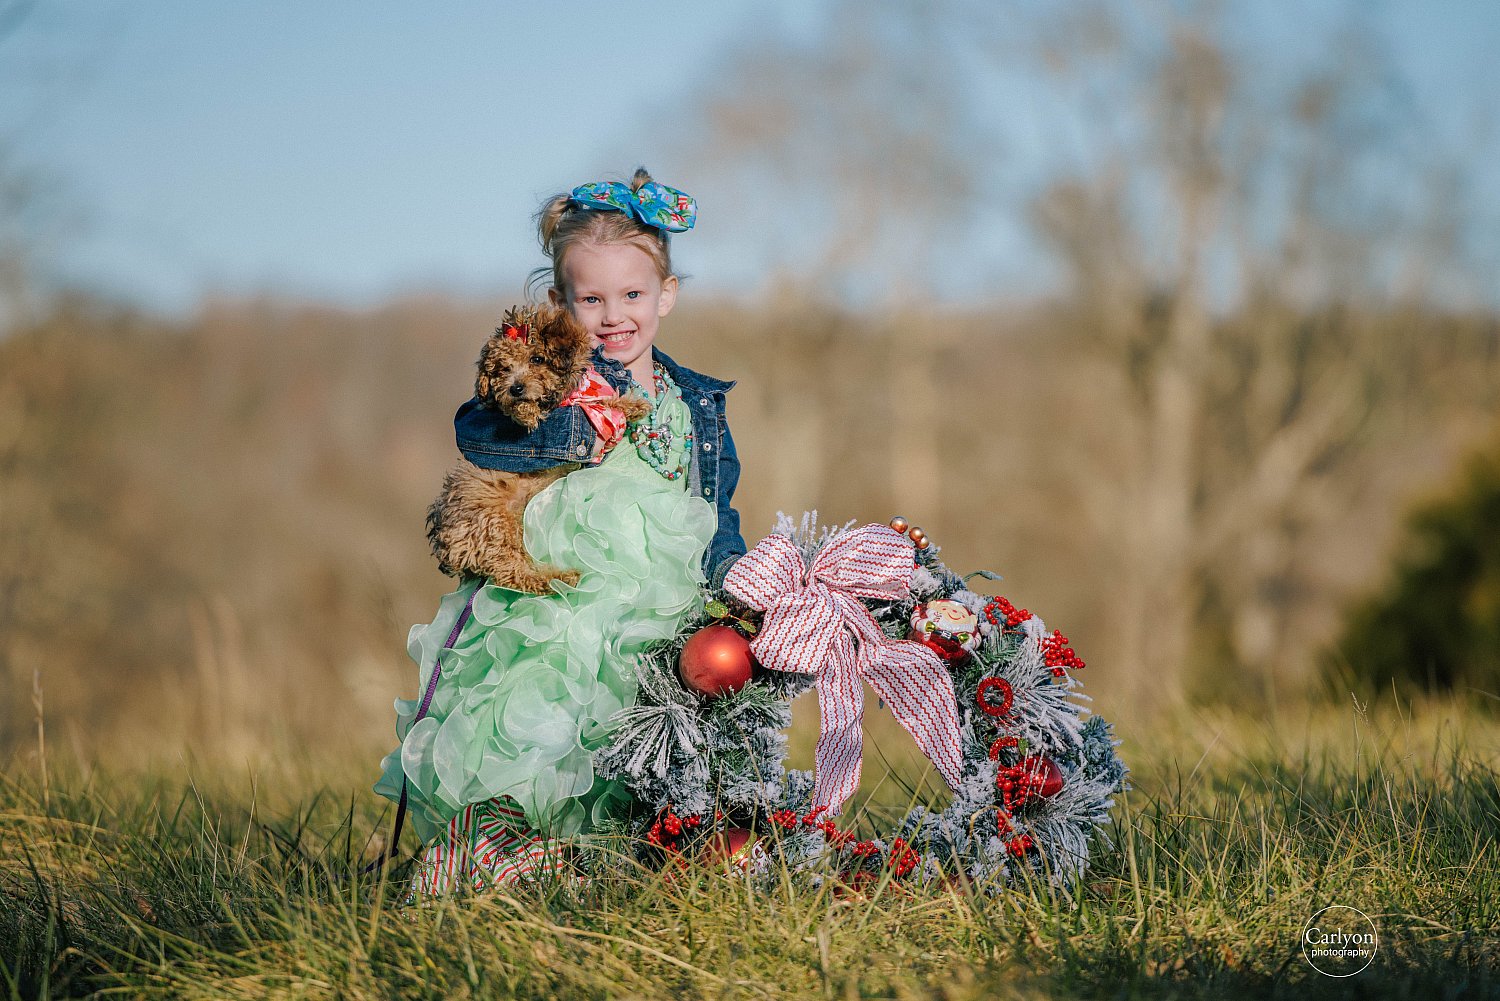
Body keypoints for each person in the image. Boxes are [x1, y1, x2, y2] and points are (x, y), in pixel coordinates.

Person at [374, 168, 747, 896]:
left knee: (634, 729)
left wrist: (738, 581)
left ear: (666, 294)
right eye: (591, 299)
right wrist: (577, 433)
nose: (614, 316)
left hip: (660, 608)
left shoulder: (696, 402)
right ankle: (498, 846)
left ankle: (604, 861)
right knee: (545, 719)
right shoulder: (558, 383)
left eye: (633, 295)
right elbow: (477, 430)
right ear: (559, 302)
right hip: (560, 601)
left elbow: (716, 512)